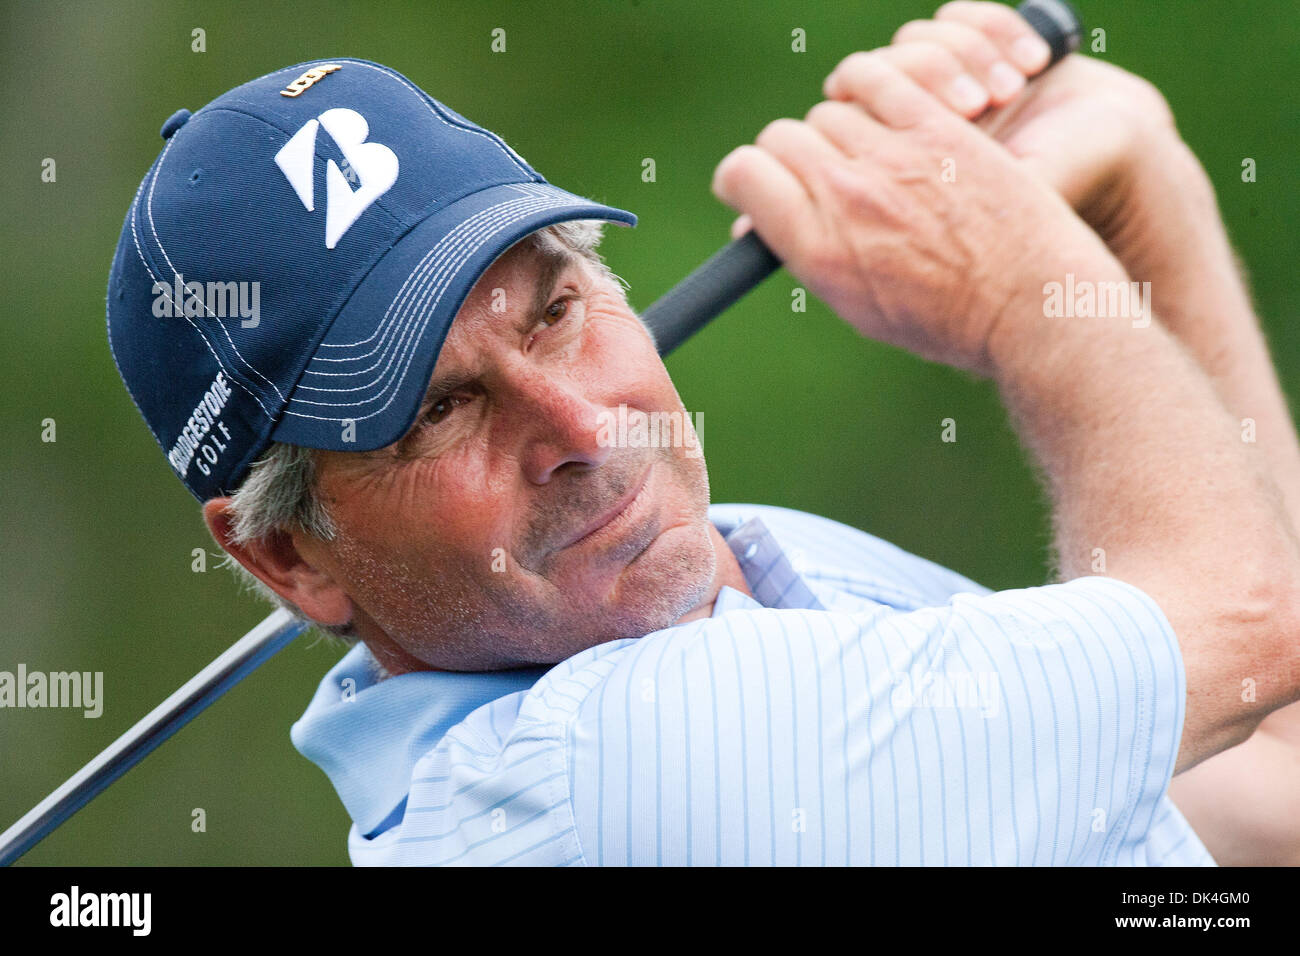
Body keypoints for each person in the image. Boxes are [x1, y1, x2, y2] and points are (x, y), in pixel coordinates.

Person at [106, 3, 1300, 865]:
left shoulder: (740, 569)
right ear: (290, 558)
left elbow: (1267, 785)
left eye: (559, 310)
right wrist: (1023, 284)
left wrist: (1141, 192)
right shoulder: (600, 772)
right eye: (435, 408)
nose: (580, 424)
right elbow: (1247, 623)